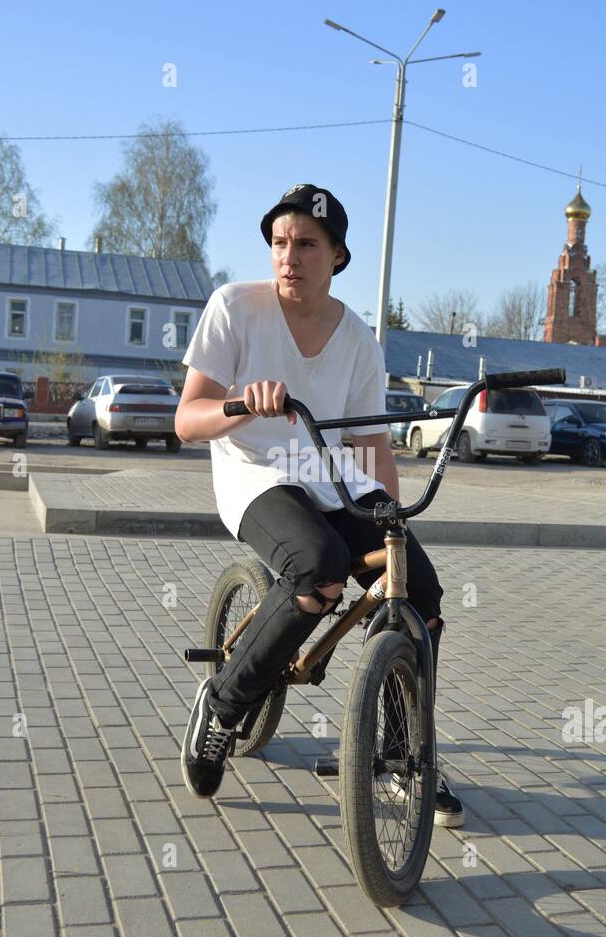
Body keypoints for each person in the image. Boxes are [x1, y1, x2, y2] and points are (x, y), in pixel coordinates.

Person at [175, 184, 463, 828]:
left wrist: (389, 512)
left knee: (421, 592)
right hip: (256, 473)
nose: (289, 256)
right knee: (319, 569)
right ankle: (222, 705)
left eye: (306, 244)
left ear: (337, 256)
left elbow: (371, 446)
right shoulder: (234, 308)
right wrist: (242, 405)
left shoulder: (357, 339)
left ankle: (400, 752)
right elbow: (186, 420)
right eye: (280, 242)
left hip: (333, 477)